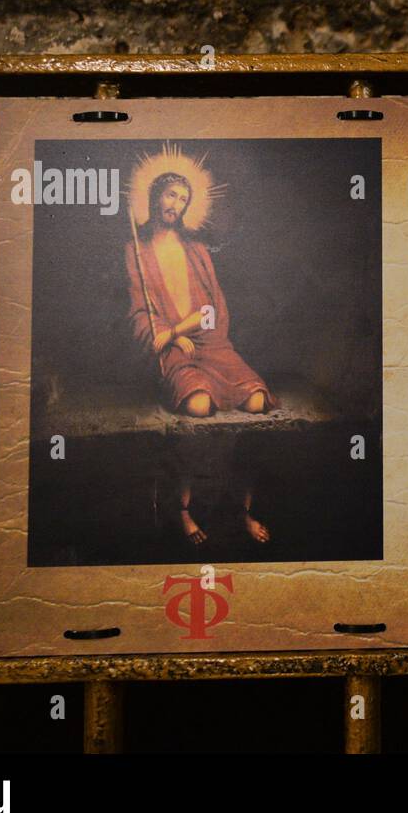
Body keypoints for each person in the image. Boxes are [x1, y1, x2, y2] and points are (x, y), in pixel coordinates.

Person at [125, 171, 274, 546]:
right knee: (199, 405)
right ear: (155, 196)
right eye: (169, 196)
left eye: (182, 199)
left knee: (256, 401)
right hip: (172, 348)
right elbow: (139, 313)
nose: (174, 205)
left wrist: (195, 326)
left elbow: (213, 311)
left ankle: (240, 507)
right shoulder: (135, 251)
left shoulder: (197, 250)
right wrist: (174, 334)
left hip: (209, 344)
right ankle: (183, 508)